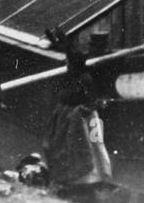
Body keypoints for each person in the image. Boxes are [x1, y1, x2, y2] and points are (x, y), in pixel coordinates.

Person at [43, 49, 113, 194]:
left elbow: (92, 100)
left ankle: (99, 178)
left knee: (94, 145)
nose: (67, 64)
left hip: (87, 117)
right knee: (72, 147)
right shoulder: (70, 77)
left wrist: (82, 110)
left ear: (75, 64)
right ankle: (81, 181)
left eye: (69, 62)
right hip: (74, 115)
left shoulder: (85, 79)